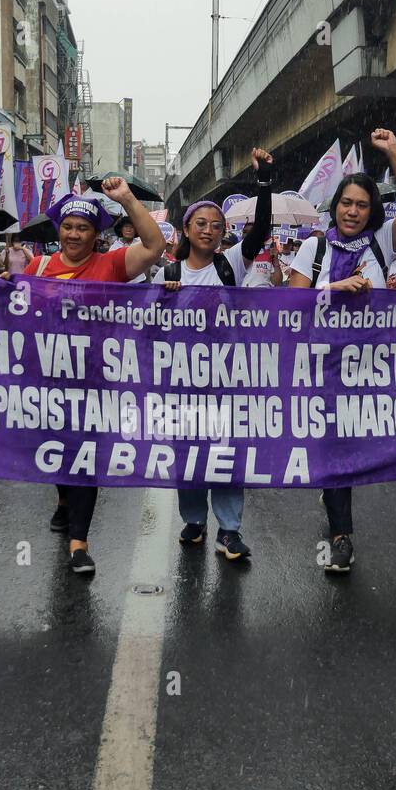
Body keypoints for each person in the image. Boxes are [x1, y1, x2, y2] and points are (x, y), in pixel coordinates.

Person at [287, 128, 396, 573]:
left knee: (362, 447)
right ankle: (341, 535)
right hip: (324, 369)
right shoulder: (314, 247)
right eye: (347, 203)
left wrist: (394, 153)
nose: (353, 211)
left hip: (373, 370)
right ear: (335, 206)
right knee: (338, 448)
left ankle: (334, 490)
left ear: (371, 212)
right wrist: (333, 288)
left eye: (362, 205)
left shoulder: (381, 244)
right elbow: (291, 306)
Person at [25, 179, 165, 574]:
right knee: (58, 454)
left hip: (95, 385)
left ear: (95, 233)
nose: (74, 234)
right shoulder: (37, 268)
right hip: (48, 383)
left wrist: (126, 199)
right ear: (59, 229)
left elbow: (155, 247)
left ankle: (79, 542)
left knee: (85, 459)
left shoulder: (111, 265)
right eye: (68, 226)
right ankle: (64, 499)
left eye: (83, 228)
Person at [162, 147, 275, 562]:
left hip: (227, 381)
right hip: (181, 382)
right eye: (201, 224)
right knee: (188, 455)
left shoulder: (231, 264)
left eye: (217, 225)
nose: (209, 231)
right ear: (187, 230)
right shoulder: (169, 274)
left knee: (227, 453)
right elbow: (146, 325)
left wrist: (263, 182)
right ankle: (193, 520)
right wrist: (162, 300)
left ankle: (229, 530)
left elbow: (260, 229)